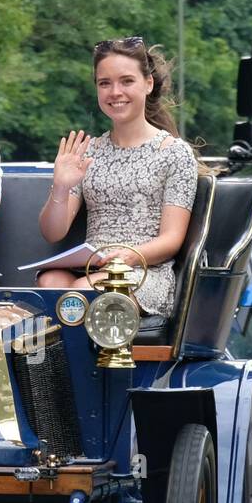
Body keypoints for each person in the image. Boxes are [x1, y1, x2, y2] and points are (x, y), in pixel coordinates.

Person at [36, 37, 201, 317]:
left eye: (126, 81)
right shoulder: (88, 151)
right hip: (93, 268)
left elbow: (172, 239)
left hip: (143, 271)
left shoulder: (175, 153)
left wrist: (129, 255)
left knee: (82, 293)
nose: (115, 92)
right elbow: (53, 232)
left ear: (148, 84)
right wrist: (61, 188)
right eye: (105, 83)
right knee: (49, 283)